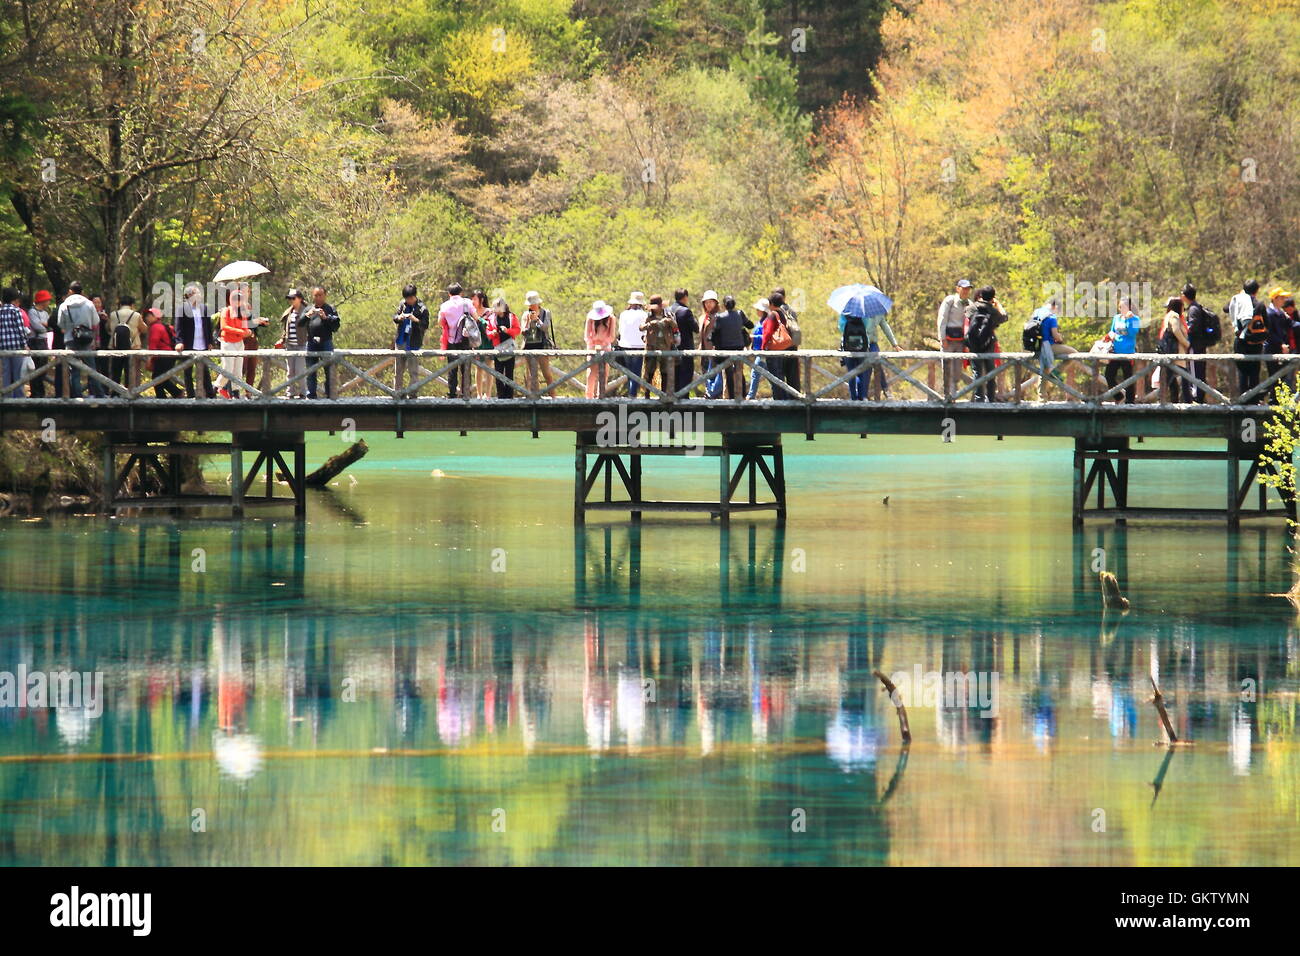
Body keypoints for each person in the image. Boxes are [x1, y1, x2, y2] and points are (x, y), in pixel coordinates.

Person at [55, 282, 100, 398]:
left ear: (70, 291)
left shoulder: (64, 305)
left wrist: (68, 327)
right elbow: (96, 321)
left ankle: (77, 396)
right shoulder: (89, 304)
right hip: (86, 339)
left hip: (70, 339)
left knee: (74, 369)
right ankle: (99, 394)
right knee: (91, 368)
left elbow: (60, 324)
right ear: (82, 291)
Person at [961, 287, 1003, 402]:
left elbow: (967, 318)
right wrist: (998, 305)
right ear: (993, 297)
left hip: (974, 344)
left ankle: (978, 398)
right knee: (991, 372)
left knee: (977, 372)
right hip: (989, 345)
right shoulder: (993, 311)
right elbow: (1004, 318)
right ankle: (990, 398)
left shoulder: (971, 308)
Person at [174, 282, 215, 398]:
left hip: (202, 343)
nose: (200, 296)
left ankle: (210, 394)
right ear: (190, 295)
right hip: (188, 344)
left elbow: (208, 326)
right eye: (197, 293)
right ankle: (191, 395)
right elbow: (178, 327)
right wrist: (179, 342)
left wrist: (210, 342)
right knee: (188, 371)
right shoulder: (182, 308)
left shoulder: (204, 308)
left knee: (205, 370)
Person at [1182, 283, 1219, 403]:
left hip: (1195, 345)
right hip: (1200, 344)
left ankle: (1197, 396)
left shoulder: (1193, 309)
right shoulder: (1196, 306)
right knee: (1198, 370)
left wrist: (1183, 330)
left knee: (1194, 370)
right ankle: (1199, 395)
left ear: (1184, 295)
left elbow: (1192, 327)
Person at [214, 288, 255, 399]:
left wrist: (247, 332)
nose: (238, 302)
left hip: (239, 343)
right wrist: (241, 331)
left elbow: (245, 326)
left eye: (240, 300)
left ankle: (236, 393)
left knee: (238, 370)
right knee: (228, 368)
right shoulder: (226, 311)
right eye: (236, 299)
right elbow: (224, 327)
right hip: (228, 342)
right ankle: (217, 387)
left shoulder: (243, 312)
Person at [438, 282, 476, 398]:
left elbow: (440, 322)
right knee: (466, 368)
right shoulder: (467, 303)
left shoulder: (445, 306)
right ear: (461, 293)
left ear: (449, 294)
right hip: (465, 341)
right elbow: (476, 317)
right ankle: (466, 393)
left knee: (452, 368)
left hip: (451, 341)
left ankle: (452, 393)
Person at [710, 295, 751, 399]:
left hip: (726, 348)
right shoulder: (740, 314)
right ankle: (742, 394)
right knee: (739, 371)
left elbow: (714, 333)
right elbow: (750, 325)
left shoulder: (720, 317)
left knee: (728, 372)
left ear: (724, 305)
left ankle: (732, 397)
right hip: (739, 347)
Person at [937, 279, 972, 399]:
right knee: (946, 368)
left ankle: (954, 394)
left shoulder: (969, 303)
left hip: (961, 341)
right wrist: (942, 338)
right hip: (948, 339)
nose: (966, 291)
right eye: (964, 288)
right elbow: (942, 319)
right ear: (958, 288)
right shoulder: (950, 301)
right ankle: (947, 395)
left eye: (968, 289)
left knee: (957, 370)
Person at [1104, 298, 1143, 404]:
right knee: (1109, 375)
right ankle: (1118, 396)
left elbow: (1133, 333)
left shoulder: (1135, 319)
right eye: (1120, 307)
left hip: (1128, 353)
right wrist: (1110, 335)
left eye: (1124, 307)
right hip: (1115, 351)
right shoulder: (1116, 318)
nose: (1121, 309)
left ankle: (1130, 401)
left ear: (1129, 308)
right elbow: (1112, 330)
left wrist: (1129, 320)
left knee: (1128, 377)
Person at [393, 284, 430, 393]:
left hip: (413, 342)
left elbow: (425, 325)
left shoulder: (422, 309)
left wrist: (415, 320)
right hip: (401, 340)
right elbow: (395, 317)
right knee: (398, 370)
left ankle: (412, 393)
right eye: (406, 298)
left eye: (409, 298)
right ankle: (397, 392)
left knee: (413, 370)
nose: (408, 300)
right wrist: (399, 318)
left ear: (414, 296)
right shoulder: (402, 304)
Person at [304, 286, 339, 399]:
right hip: (311, 343)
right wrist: (307, 316)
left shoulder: (330, 309)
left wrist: (325, 317)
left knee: (329, 369)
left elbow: (336, 326)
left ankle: (330, 394)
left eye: (320, 295)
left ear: (325, 295)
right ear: (312, 296)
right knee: (311, 370)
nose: (318, 298)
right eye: (316, 295)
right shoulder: (308, 309)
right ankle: (311, 394)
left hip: (326, 342)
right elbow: (299, 324)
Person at [639, 294, 678, 395]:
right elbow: (641, 327)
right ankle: (647, 394)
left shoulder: (669, 314)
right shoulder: (648, 316)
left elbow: (675, 327)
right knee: (649, 371)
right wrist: (651, 324)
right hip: (651, 345)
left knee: (665, 371)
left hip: (666, 345)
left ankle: (663, 393)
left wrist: (669, 321)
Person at [521, 291, 556, 396]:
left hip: (542, 345)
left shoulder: (546, 313)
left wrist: (537, 320)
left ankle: (553, 396)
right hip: (529, 346)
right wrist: (528, 321)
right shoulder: (525, 314)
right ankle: (535, 397)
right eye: (530, 304)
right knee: (533, 375)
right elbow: (523, 331)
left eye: (533, 303)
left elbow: (545, 328)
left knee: (547, 373)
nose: (531, 306)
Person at [276, 288, 309, 398]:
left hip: (301, 345)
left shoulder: (307, 311)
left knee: (300, 370)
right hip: (290, 345)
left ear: (300, 299)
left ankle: (303, 392)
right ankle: (290, 392)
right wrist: (282, 340)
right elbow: (286, 328)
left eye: (293, 298)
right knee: (290, 371)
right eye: (289, 298)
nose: (291, 300)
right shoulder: (289, 312)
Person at [145, 308, 184, 398]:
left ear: (156, 317)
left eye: (149, 316)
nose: (146, 318)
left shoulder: (155, 327)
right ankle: (165, 396)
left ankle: (174, 394)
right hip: (171, 356)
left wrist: (149, 359)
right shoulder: (167, 326)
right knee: (161, 378)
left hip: (163, 356)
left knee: (158, 378)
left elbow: (153, 345)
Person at [1157, 296, 1190, 403]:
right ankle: (1186, 400)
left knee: (1170, 379)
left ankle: (1171, 401)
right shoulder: (1174, 315)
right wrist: (1186, 343)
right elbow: (1176, 330)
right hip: (1175, 352)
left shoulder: (1169, 315)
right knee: (1184, 376)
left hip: (1172, 352)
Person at [107, 295, 143, 390]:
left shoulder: (113, 314)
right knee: (131, 371)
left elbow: (109, 329)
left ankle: (115, 392)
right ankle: (131, 391)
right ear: (132, 304)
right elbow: (144, 329)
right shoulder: (136, 315)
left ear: (120, 304)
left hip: (116, 346)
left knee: (116, 371)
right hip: (133, 347)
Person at [486, 297, 519, 398]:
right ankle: (500, 395)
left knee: (509, 372)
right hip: (498, 348)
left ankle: (509, 396)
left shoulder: (512, 316)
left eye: (496, 306)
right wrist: (493, 333)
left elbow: (518, 330)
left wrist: (507, 330)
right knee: (498, 373)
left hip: (509, 348)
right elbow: (488, 332)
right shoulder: (491, 318)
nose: (494, 309)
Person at [617, 292, 648, 397]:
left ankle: (631, 393)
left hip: (625, 345)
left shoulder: (623, 314)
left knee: (629, 372)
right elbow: (645, 332)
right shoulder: (644, 315)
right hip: (639, 346)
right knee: (636, 372)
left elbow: (620, 331)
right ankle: (632, 394)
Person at [0, 287, 30, 395]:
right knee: (17, 373)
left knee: (6, 373)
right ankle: (19, 396)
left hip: (3, 347)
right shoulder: (16, 311)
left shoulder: (0, 311)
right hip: (16, 346)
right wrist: (25, 344)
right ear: (14, 298)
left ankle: (6, 396)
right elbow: (20, 329)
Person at [1238, 301, 1270, 398]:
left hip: (1242, 342)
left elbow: (1226, 309)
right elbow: (1267, 324)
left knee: (1243, 372)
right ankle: (1254, 399)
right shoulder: (1260, 304)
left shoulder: (1239, 302)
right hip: (1257, 342)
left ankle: (1243, 399)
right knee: (1255, 372)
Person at [1265, 286, 1293, 399]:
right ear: (1275, 299)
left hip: (1282, 349)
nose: (1284, 301)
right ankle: (1272, 400)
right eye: (1282, 298)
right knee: (1274, 376)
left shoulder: (1281, 313)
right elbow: (1269, 333)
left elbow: (1287, 328)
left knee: (1282, 376)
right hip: (1272, 349)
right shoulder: (1268, 313)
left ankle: (1277, 400)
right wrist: (1280, 344)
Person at [584, 300, 616, 397]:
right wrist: (594, 344)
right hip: (592, 347)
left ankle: (600, 395)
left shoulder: (611, 319)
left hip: (606, 347)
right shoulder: (590, 319)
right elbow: (587, 336)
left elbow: (611, 336)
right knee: (591, 373)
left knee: (604, 373)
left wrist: (603, 344)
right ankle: (589, 396)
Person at [771, 289, 800, 393]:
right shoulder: (791, 310)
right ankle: (795, 396)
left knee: (779, 373)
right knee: (793, 374)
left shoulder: (776, 311)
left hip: (781, 345)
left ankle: (782, 398)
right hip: (793, 344)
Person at [671, 289, 698, 395]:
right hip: (685, 348)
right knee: (686, 373)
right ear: (685, 297)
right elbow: (696, 328)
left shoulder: (668, 310)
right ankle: (684, 397)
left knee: (674, 373)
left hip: (671, 348)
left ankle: (674, 396)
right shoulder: (686, 311)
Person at [698, 290, 724, 399]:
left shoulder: (719, 317)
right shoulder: (702, 318)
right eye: (706, 302)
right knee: (706, 374)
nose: (708, 304)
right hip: (704, 351)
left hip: (715, 351)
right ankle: (709, 393)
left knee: (716, 374)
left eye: (711, 302)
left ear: (715, 303)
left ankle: (715, 395)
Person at [26, 289, 52, 397]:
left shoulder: (45, 313)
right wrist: (45, 326)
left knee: (43, 368)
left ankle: (41, 392)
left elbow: (49, 325)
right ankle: (35, 393)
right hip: (35, 342)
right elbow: (37, 326)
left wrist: (45, 325)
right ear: (42, 301)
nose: (49, 302)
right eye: (48, 300)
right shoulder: (32, 311)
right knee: (35, 369)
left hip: (43, 341)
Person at [469, 289, 493, 398]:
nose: (472, 301)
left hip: (487, 342)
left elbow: (490, 326)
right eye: (472, 299)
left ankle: (487, 394)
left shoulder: (489, 312)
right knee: (478, 368)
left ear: (481, 300)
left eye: (474, 299)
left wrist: (479, 319)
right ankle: (478, 394)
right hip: (476, 343)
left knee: (489, 367)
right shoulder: (471, 311)